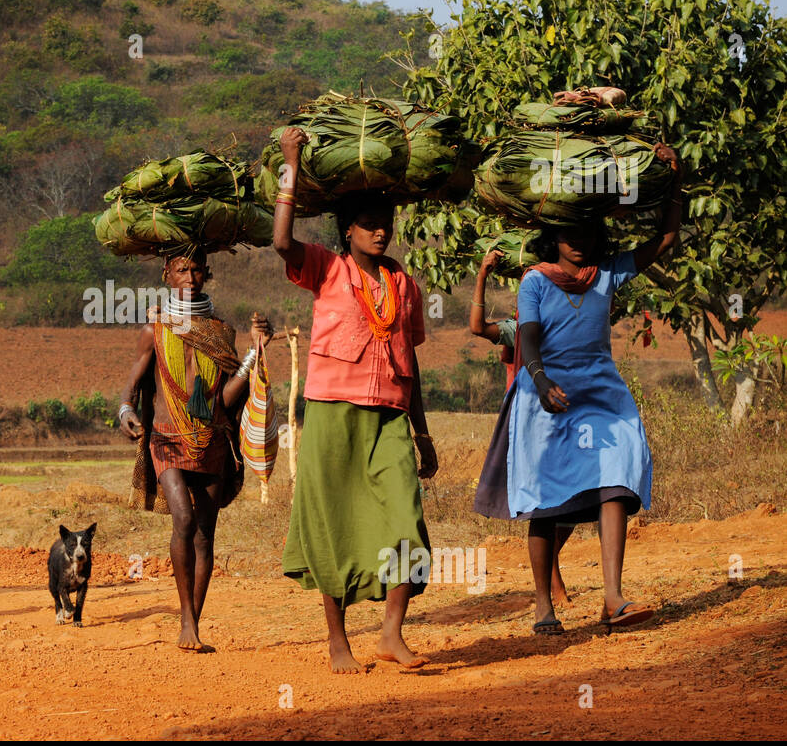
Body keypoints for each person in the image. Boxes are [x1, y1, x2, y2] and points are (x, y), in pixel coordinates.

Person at [474, 143, 683, 635]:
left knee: (617, 477)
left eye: (588, 232)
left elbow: (667, 239)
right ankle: (544, 607)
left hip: (601, 393)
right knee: (547, 500)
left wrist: (675, 181)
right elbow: (526, 339)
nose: (579, 243)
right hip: (545, 394)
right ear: (555, 235)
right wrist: (542, 381)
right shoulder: (535, 281)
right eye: (570, 233)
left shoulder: (607, 272)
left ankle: (613, 598)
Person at [272, 126, 438, 674]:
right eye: (368, 223)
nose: (380, 230)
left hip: (390, 418)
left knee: (406, 520)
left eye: (385, 222)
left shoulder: (405, 286)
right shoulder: (327, 269)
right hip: (330, 414)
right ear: (347, 231)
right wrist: (290, 162)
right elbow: (280, 242)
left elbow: (410, 365)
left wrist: (422, 433)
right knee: (333, 523)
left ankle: (391, 632)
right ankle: (338, 640)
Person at [119, 248, 272, 652]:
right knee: (183, 520)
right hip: (166, 437)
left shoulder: (221, 332)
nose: (190, 277)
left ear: (207, 275)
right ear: (166, 274)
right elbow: (133, 381)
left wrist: (257, 351)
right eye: (182, 269)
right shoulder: (156, 328)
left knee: (205, 534)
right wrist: (125, 411)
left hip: (211, 440)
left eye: (197, 270)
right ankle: (185, 618)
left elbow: (225, 399)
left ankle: (193, 623)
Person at [470, 249, 574, 605]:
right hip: (531, 419)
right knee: (546, 503)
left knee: (573, 503)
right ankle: (548, 586)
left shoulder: (569, 321)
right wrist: (483, 274)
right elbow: (477, 327)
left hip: (567, 415)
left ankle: (551, 563)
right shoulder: (519, 328)